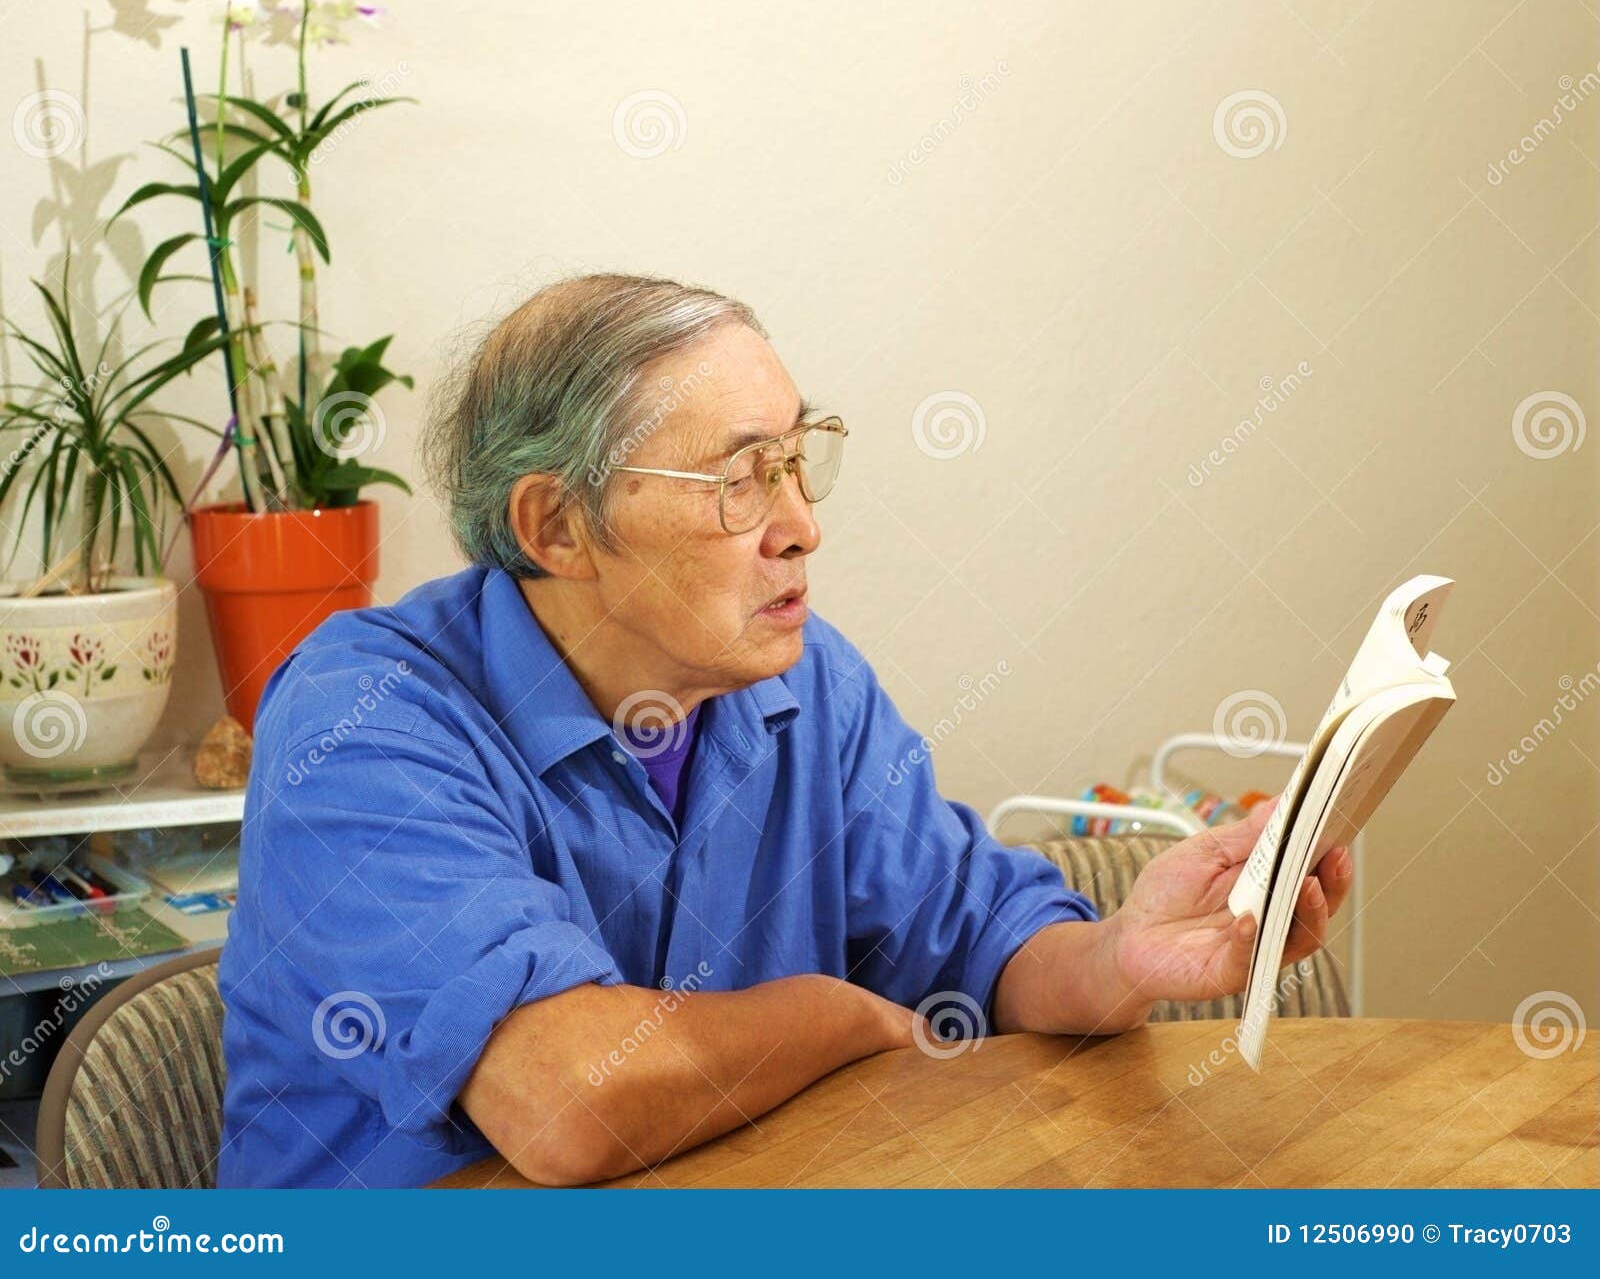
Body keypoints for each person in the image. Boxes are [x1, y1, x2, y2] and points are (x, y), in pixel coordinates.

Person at [217, 274, 1351, 1187]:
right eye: (740, 482)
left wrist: (1121, 953)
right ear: (557, 522)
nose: (802, 527)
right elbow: (567, 1100)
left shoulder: (802, 679)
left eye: (800, 463)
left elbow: (981, 945)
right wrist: (835, 1015)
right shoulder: (362, 717)